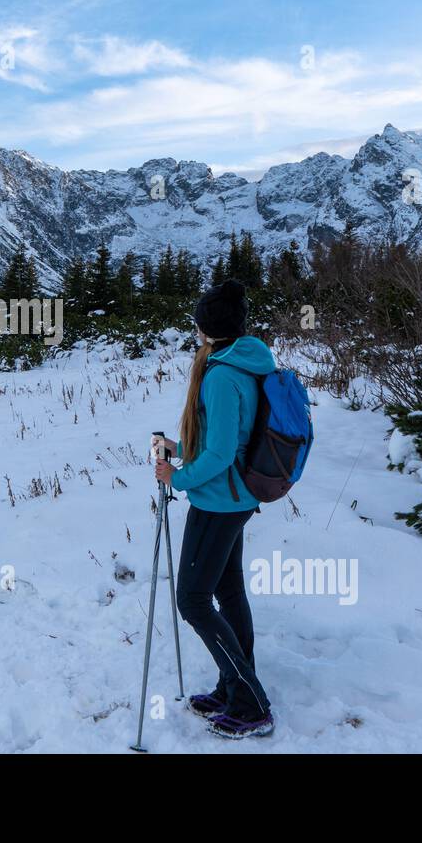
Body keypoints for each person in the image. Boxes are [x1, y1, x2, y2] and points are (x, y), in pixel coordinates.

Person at [153, 279, 275, 739]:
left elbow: (222, 452)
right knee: (228, 593)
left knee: (192, 600)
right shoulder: (244, 360)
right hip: (236, 496)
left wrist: (177, 477)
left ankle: (250, 702)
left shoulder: (222, 375)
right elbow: (226, 439)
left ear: (207, 327)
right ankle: (232, 686)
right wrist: (179, 448)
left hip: (219, 500)